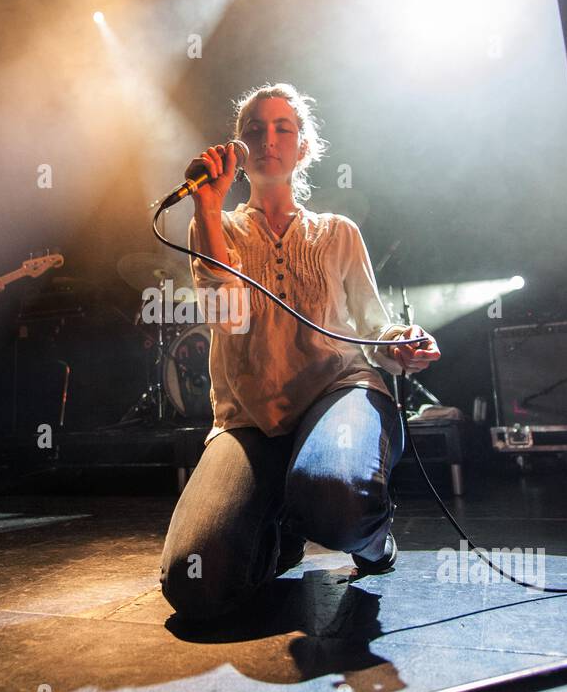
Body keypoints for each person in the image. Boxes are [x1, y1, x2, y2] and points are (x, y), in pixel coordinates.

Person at [159, 84, 441, 621]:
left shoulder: (338, 233)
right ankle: (284, 530)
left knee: (336, 495)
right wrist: (207, 204)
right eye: (254, 130)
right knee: (194, 582)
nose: (269, 138)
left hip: (339, 392)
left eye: (283, 127)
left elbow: (373, 327)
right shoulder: (215, 227)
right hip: (250, 419)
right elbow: (229, 319)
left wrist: (400, 344)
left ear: (304, 147)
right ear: (238, 152)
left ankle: (372, 539)